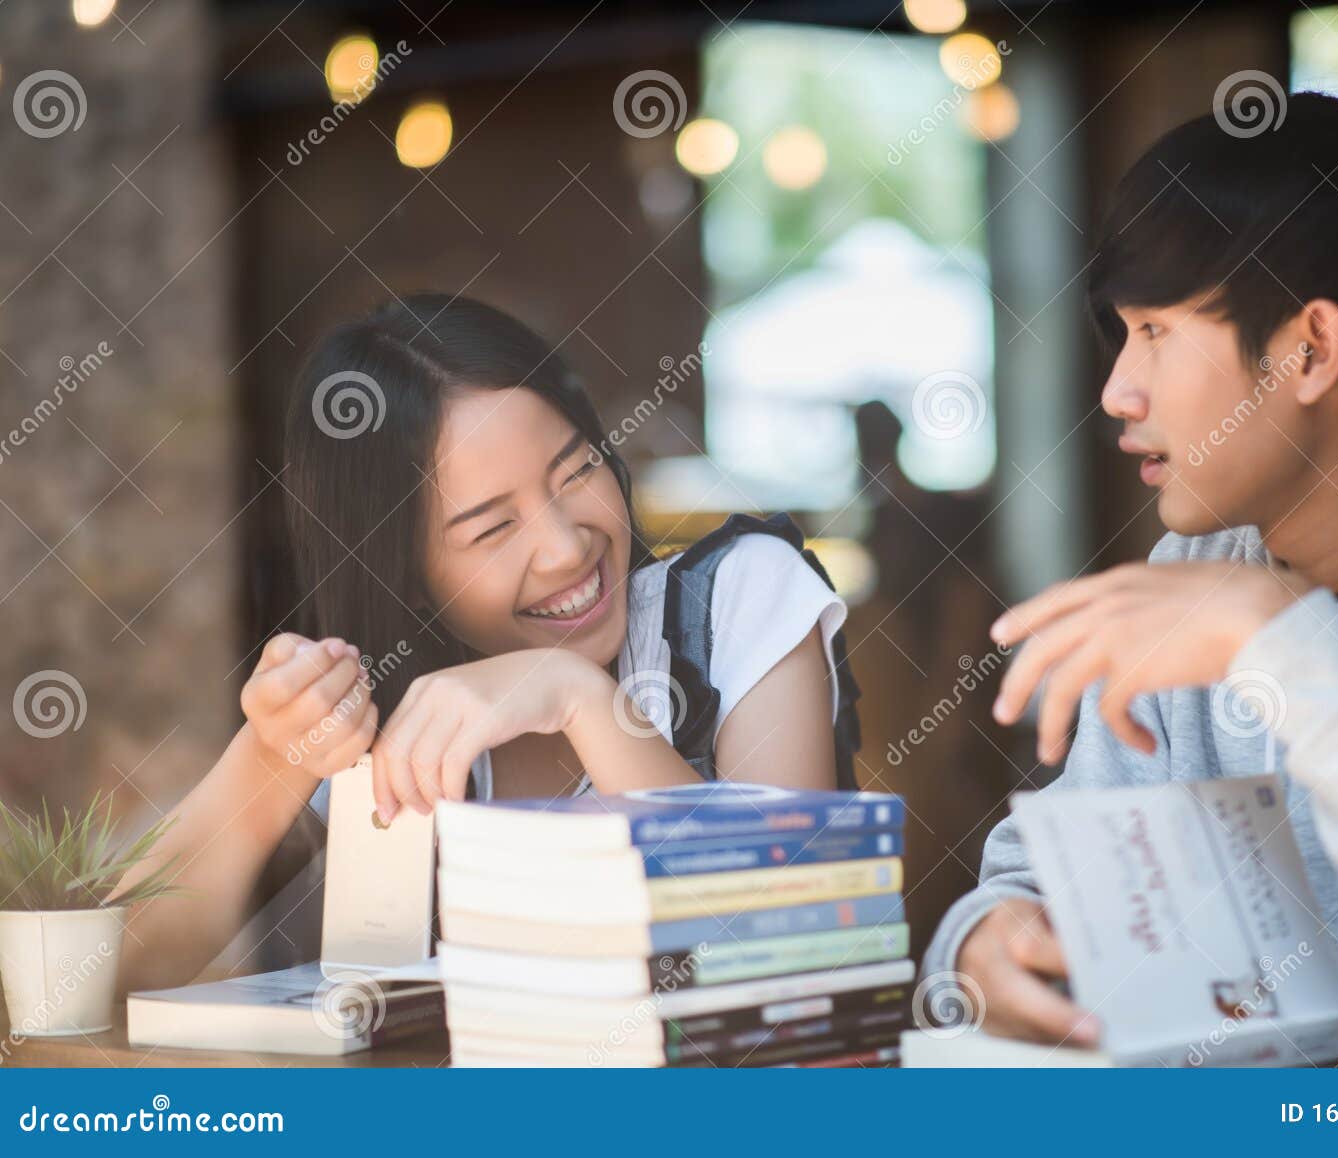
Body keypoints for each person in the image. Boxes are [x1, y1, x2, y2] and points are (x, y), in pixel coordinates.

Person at [923, 92, 1338, 1058]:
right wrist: (981, 947)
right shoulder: (1194, 578)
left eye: (1156, 333)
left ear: (1310, 349)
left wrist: (1282, 638)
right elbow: (1064, 868)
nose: (1115, 390)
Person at [116, 295, 856, 991]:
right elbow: (106, 972)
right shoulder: (393, 710)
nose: (566, 548)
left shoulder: (735, 599)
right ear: (404, 573)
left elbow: (793, 943)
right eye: (494, 528)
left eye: (578, 470)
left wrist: (583, 702)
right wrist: (274, 757)